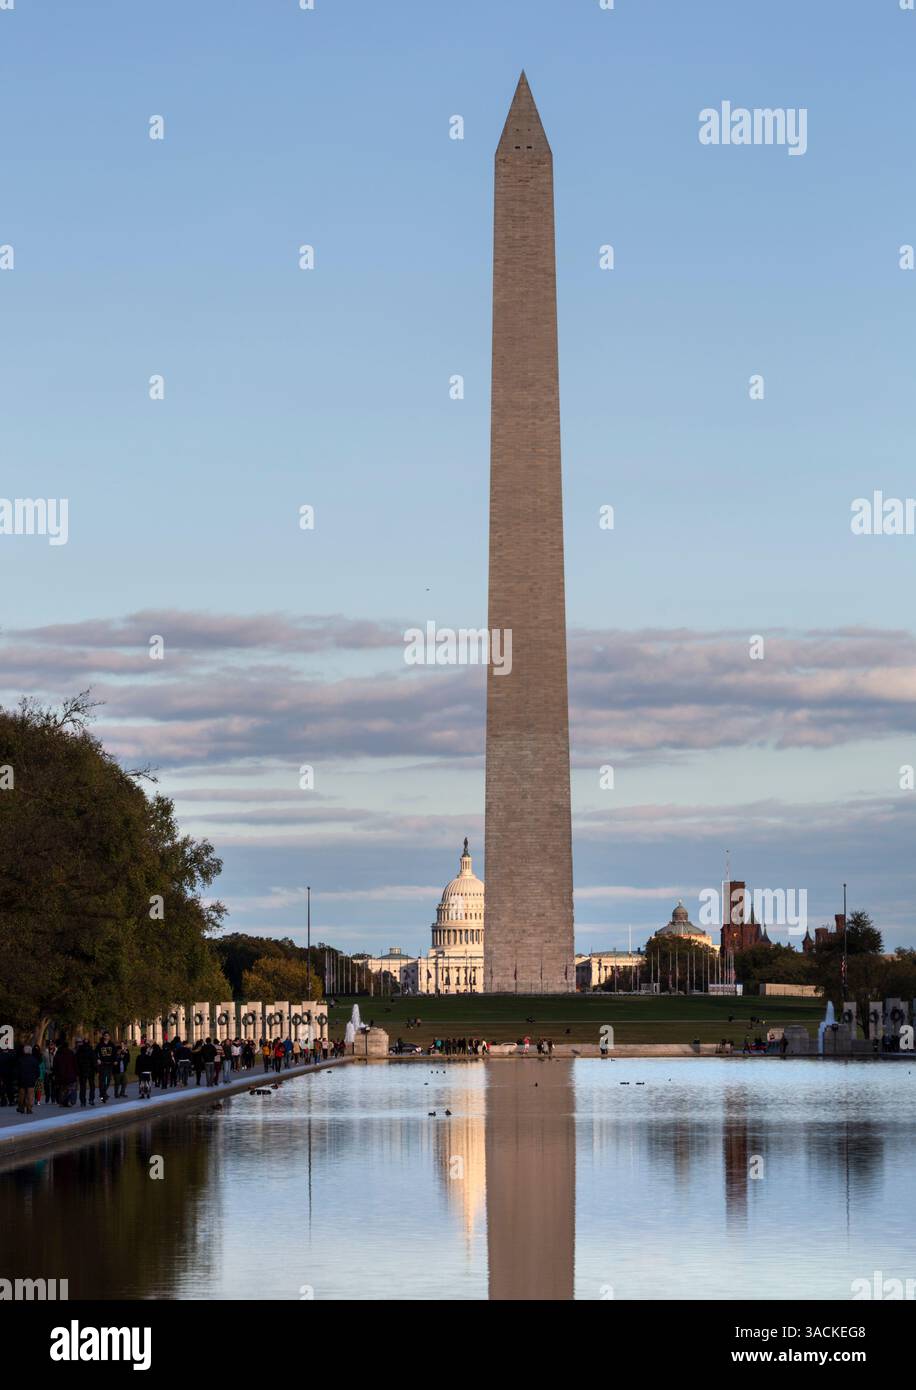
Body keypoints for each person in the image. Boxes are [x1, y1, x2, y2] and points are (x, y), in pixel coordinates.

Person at [52, 1037, 78, 1107]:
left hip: (61, 1075)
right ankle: (70, 1101)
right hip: (71, 1074)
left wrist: (54, 1074)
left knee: (62, 1089)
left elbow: (55, 1065)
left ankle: (62, 1102)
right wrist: (76, 1072)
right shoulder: (71, 1053)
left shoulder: (58, 1054)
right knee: (71, 1088)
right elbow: (75, 1064)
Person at [15, 1044, 40, 1114]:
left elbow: (17, 1071)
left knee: (21, 1094)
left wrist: (17, 1078)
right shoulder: (34, 1060)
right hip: (31, 1080)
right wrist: (36, 1077)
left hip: (22, 1080)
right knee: (30, 1095)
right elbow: (37, 1071)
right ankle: (29, 1108)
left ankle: (21, 1107)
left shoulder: (20, 1060)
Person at [76, 1036, 97, 1107]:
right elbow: (94, 1061)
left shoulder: (79, 1051)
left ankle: (83, 1101)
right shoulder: (91, 1050)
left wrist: (78, 1071)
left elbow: (77, 1062)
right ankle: (91, 1099)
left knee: (83, 1087)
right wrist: (96, 1069)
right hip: (90, 1070)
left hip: (82, 1071)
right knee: (91, 1086)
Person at [96, 1031, 117, 1102]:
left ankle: (103, 1093)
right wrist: (98, 1059)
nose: (106, 1037)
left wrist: (115, 1060)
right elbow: (95, 1053)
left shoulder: (112, 1045)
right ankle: (103, 1096)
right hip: (102, 1065)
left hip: (110, 1065)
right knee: (102, 1081)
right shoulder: (100, 1045)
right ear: (103, 1037)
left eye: (107, 1036)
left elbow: (115, 1054)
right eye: (105, 1036)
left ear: (109, 1037)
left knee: (108, 1080)